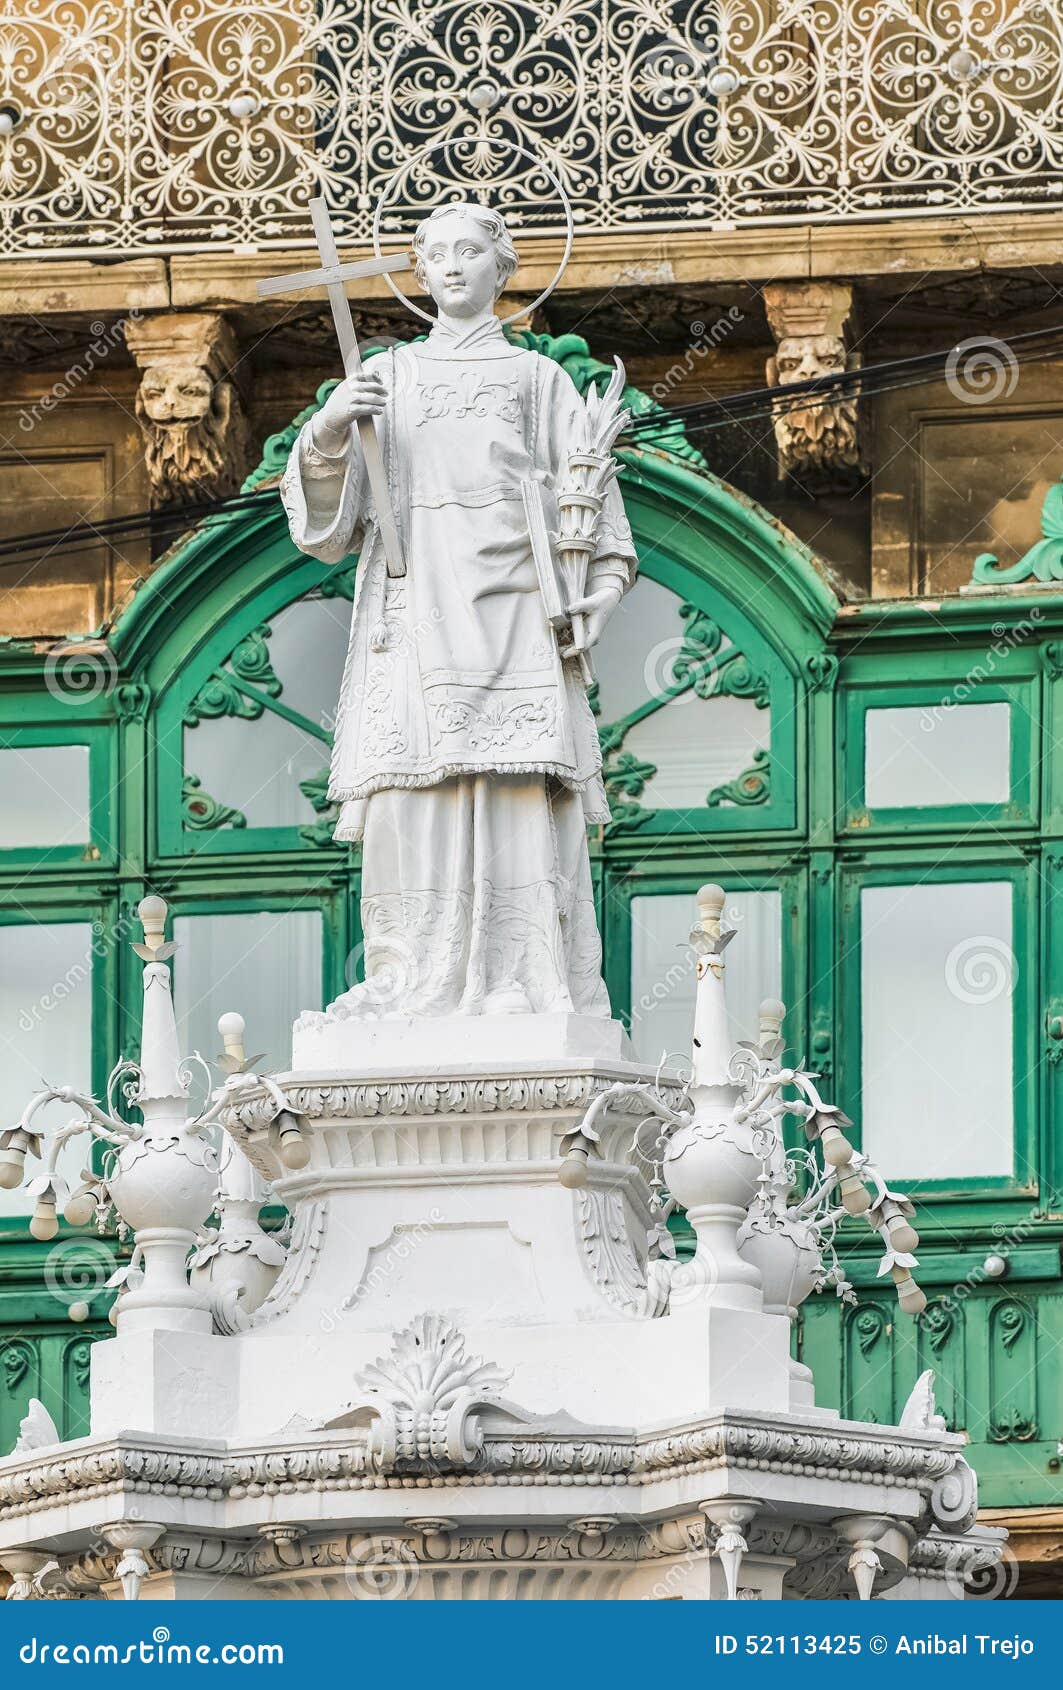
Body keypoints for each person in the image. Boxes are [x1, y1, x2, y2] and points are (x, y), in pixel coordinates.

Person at [281, 201, 636, 1018]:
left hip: (515, 608)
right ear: (417, 272)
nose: (450, 266)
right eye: (434, 253)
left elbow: (594, 512)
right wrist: (331, 426)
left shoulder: (535, 379)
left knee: (510, 782)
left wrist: (600, 599)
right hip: (413, 606)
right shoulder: (390, 377)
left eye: (469, 251)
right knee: (413, 792)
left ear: (502, 270)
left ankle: (515, 975)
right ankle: (408, 977)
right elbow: (327, 528)